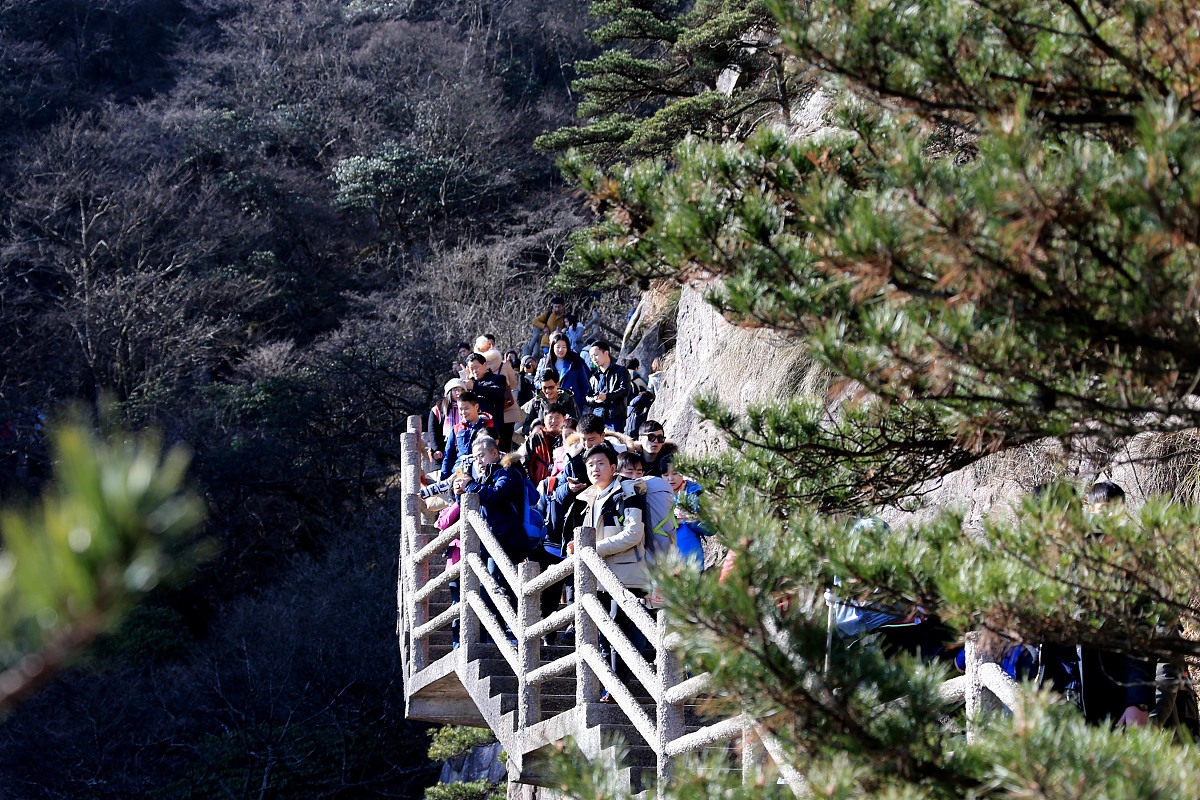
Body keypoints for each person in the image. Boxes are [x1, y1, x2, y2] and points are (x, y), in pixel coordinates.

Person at [1040, 481, 1156, 727]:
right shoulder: (1033, 570)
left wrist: (1138, 701)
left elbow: (1137, 634)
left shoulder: (1110, 565)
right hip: (1052, 706)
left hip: (1104, 702)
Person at [568, 444, 649, 699]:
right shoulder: (589, 499)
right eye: (590, 465)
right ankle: (611, 686)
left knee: (619, 632)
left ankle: (617, 689)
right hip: (600, 576)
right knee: (605, 635)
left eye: (601, 463)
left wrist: (592, 548)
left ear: (614, 468)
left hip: (626, 574)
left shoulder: (629, 492)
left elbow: (634, 534)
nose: (595, 469)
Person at [454, 437, 530, 646]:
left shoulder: (508, 472)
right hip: (492, 542)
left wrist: (471, 486)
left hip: (508, 540)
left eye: (481, 455)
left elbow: (498, 495)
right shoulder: (484, 478)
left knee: (502, 587)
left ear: (494, 453)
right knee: (491, 588)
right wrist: (462, 490)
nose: (478, 460)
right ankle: (495, 636)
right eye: (475, 456)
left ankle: (512, 633)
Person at [439, 391, 494, 480]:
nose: (463, 412)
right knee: (460, 486)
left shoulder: (488, 426)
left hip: (481, 468)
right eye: (460, 409)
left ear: (476, 407)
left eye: (466, 409)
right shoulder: (456, 429)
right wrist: (444, 476)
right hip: (459, 469)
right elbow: (448, 455)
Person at [586, 339, 631, 432]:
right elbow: (587, 397)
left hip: (614, 415)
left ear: (606, 353)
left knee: (616, 444)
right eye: (591, 357)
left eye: (596, 355)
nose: (594, 359)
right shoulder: (594, 377)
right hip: (597, 417)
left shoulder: (621, 371)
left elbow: (624, 390)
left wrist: (607, 396)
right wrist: (594, 399)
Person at [538, 333, 592, 408]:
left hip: (573, 403)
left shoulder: (575, 363)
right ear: (552, 347)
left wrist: (584, 403)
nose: (561, 350)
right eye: (558, 347)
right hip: (551, 403)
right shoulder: (545, 363)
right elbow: (538, 382)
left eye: (564, 347)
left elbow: (584, 385)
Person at [522, 369, 580, 434]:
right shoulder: (536, 402)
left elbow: (577, 423)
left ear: (557, 384)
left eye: (551, 387)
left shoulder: (568, 400)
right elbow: (526, 425)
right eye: (544, 388)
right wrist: (535, 428)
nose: (547, 391)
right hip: (543, 441)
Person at [463, 353, 508, 436]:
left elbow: (497, 392)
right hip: (475, 426)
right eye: (471, 368)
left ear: (485, 365)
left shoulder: (498, 378)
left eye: (476, 367)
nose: (474, 371)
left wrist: (474, 387)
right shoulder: (470, 383)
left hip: (493, 425)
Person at [523, 402, 567, 485]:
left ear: (564, 419)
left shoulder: (567, 438)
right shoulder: (534, 438)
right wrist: (531, 485)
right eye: (550, 418)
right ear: (544, 419)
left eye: (557, 417)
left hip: (562, 485)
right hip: (538, 485)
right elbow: (525, 463)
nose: (553, 421)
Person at [426, 378, 466, 466]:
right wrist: (436, 449)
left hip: (463, 446)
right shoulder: (438, 409)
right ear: (449, 392)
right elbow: (433, 431)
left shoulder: (467, 407)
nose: (459, 393)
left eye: (462, 390)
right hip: (443, 449)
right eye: (456, 390)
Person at [624, 358, 655, 437]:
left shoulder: (620, 378)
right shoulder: (638, 380)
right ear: (636, 368)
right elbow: (648, 393)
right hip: (637, 412)